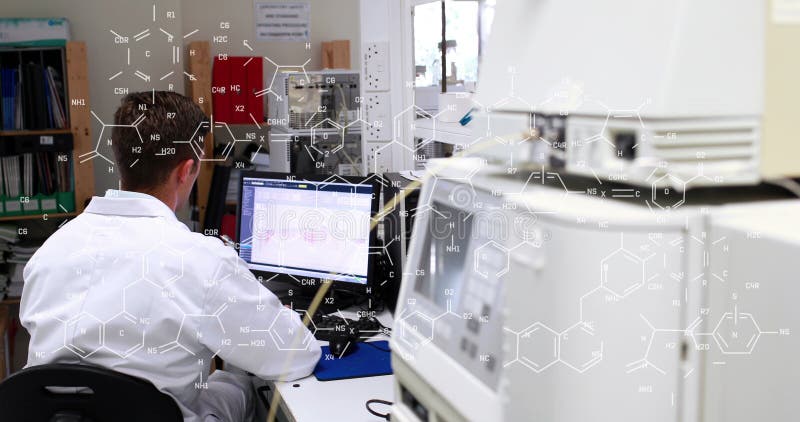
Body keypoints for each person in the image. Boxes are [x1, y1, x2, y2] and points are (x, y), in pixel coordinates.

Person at [20, 91, 321, 421]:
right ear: (186, 170)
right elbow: (296, 356)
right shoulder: (201, 261)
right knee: (238, 382)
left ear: (119, 158)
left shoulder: (50, 252)